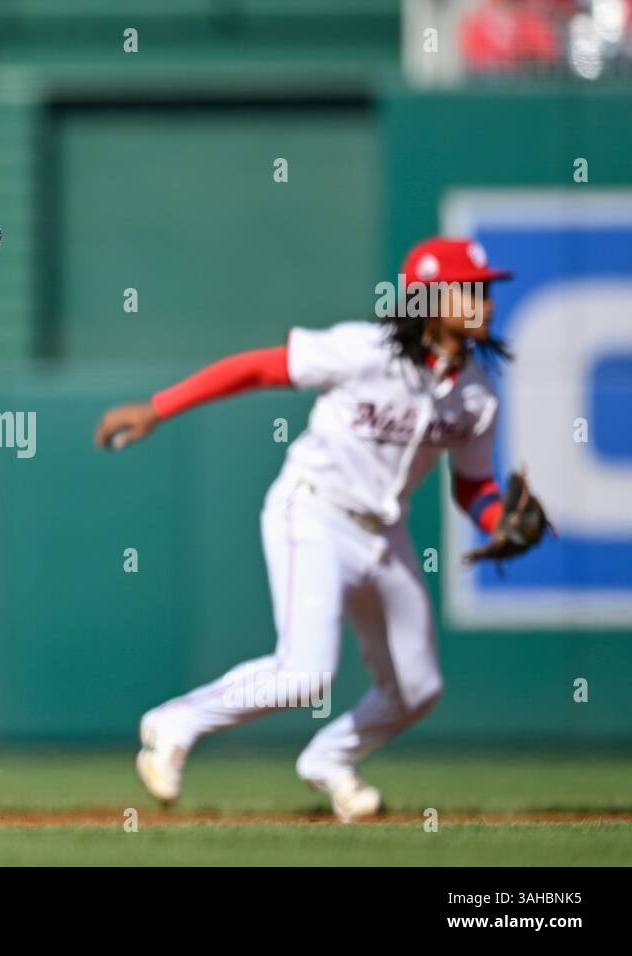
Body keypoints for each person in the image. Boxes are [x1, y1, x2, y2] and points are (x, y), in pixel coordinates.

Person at [94, 238, 517, 821]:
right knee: (305, 674)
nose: (486, 301)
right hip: (314, 510)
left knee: (418, 689)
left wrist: (502, 520)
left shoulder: (477, 393)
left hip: (385, 534)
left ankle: (330, 760)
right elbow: (257, 368)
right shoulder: (362, 350)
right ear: (431, 299)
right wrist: (159, 407)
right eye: (472, 289)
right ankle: (174, 723)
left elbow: (474, 487)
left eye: (486, 288)